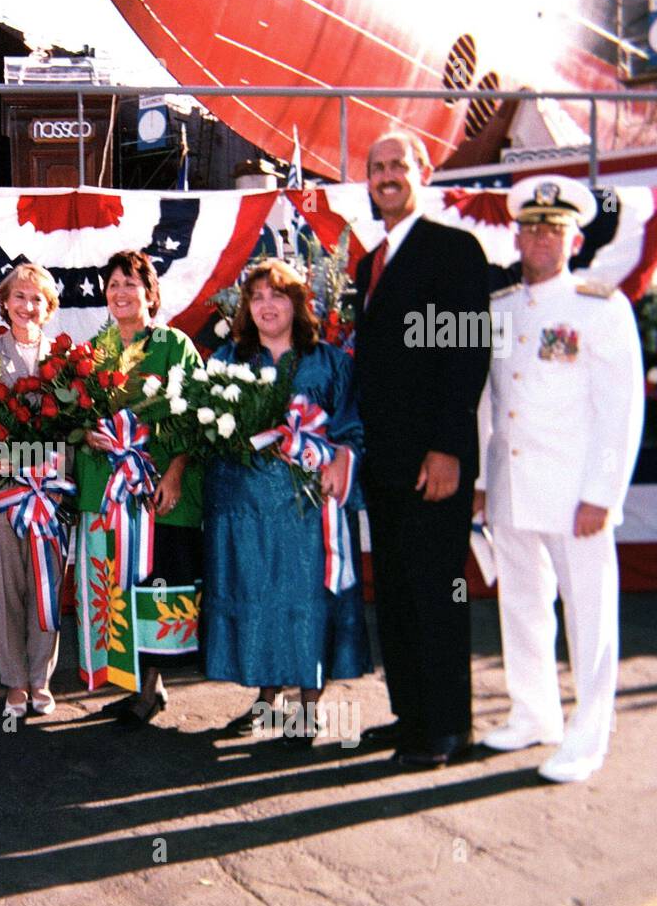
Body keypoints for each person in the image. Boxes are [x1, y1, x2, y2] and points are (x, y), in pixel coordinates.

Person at [476, 175, 645, 782]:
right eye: (531, 228)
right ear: (517, 236)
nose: (540, 239)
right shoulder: (501, 309)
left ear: (574, 239)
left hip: (576, 494)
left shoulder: (601, 306)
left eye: (553, 229)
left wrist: (603, 494)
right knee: (522, 604)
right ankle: (534, 712)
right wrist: (479, 479)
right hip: (512, 484)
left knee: (590, 614)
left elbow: (621, 409)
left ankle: (587, 737)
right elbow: (488, 403)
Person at [353, 131, 491, 768]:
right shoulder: (368, 264)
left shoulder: (452, 249)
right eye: (377, 167)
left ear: (423, 172)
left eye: (397, 166)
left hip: (433, 460)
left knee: (439, 592)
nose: (386, 176)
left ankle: (447, 727)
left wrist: (447, 447)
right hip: (385, 460)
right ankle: (412, 715)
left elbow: (466, 354)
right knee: (401, 593)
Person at [203, 260, 370, 745]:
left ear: (297, 303)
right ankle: (265, 698)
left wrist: (341, 457)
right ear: (246, 308)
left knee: (305, 600)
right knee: (257, 596)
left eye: (277, 296)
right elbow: (207, 428)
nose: (267, 306)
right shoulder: (228, 360)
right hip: (246, 507)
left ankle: (307, 706)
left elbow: (353, 427)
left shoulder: (330, 361)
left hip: (307, 509)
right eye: (257, 298)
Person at [75, 249, 203, 723]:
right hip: (108, 493)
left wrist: (174, 473)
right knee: (120, 589)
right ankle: (135, 687)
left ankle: (151, 689)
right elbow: (77, 414)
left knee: (155, 584)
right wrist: (85, 429)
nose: (121, 292)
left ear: (150, 292)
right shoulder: (94, 349)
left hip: (159, 491)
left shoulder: (174, 344)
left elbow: (195, 412)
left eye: (131, 283)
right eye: (113, 285)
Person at [0, 263, 62, 718]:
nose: (27, 306)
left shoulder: (68, 359)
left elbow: (74, 430)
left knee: (45, 587)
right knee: (5, 591)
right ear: (4, 303)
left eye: (37, 299)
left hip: (49, 497)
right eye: (19, 297)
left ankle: (41, 679)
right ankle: (15, 682)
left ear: (49, 309)